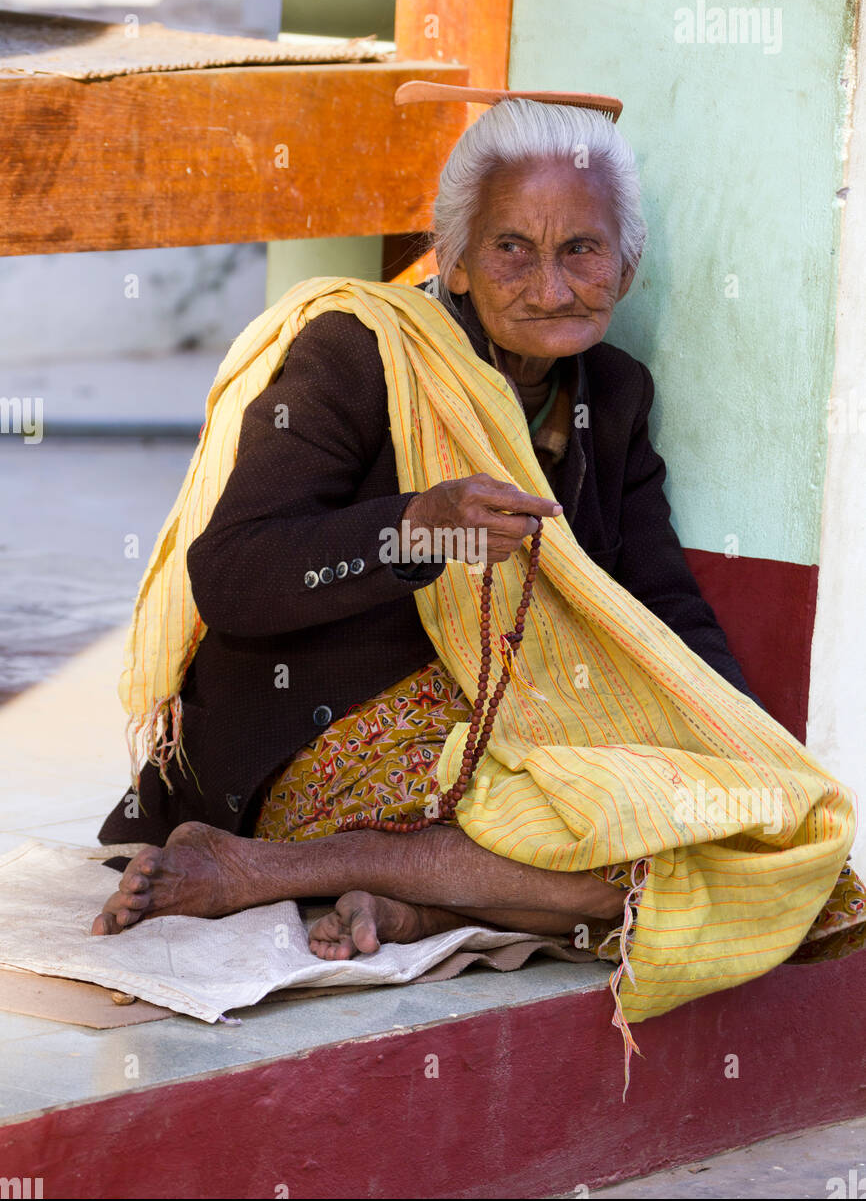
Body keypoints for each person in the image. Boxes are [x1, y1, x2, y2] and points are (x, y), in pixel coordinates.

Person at [94, 96, 856, 1025]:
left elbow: (658, 601)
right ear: (452, 260)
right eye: (511, 248)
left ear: (627, 261)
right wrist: (414, 526)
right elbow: (233, 573)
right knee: (642, 863)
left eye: (581, 248)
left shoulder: (610, 395)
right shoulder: (361, 352)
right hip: (318, 720)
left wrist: (749, 755)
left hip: (514, 720)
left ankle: (416, 900)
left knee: (763, 850)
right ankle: (259, 862)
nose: (551, 285)